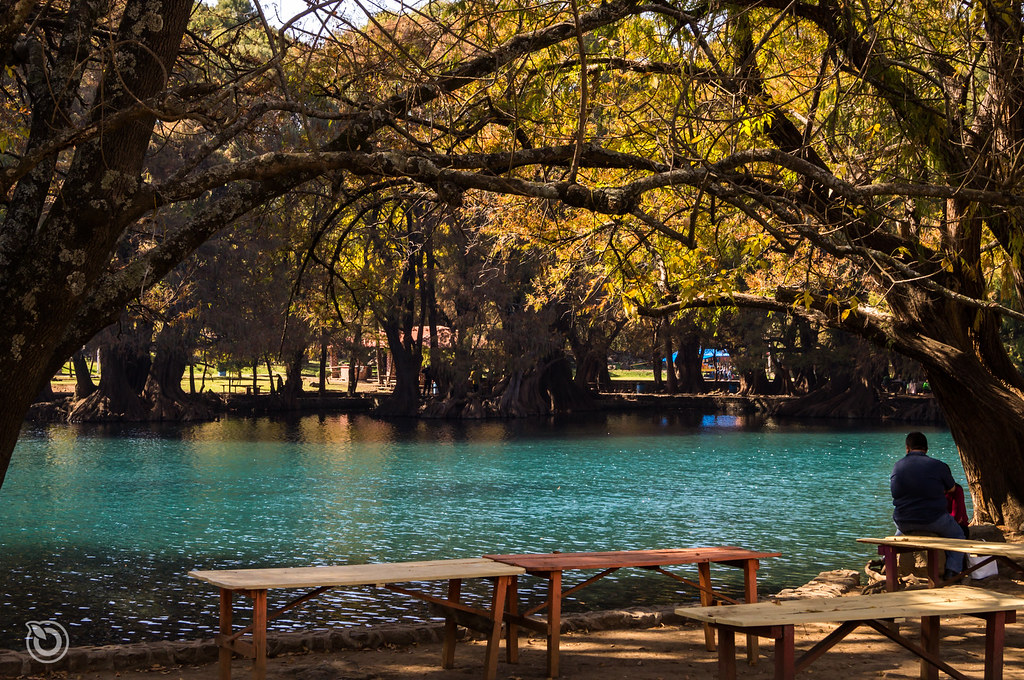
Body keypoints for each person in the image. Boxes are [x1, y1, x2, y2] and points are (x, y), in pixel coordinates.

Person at [890, 431, 966, 579]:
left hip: (903, 521)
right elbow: (951, 489)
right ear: (926, 449)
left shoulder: (897, 466)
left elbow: (895, 493)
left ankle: (886, 562)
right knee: (958, 535)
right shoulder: (938, 465)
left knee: (899, 532)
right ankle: (952, 571)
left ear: (907, 448)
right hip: (934, 519)